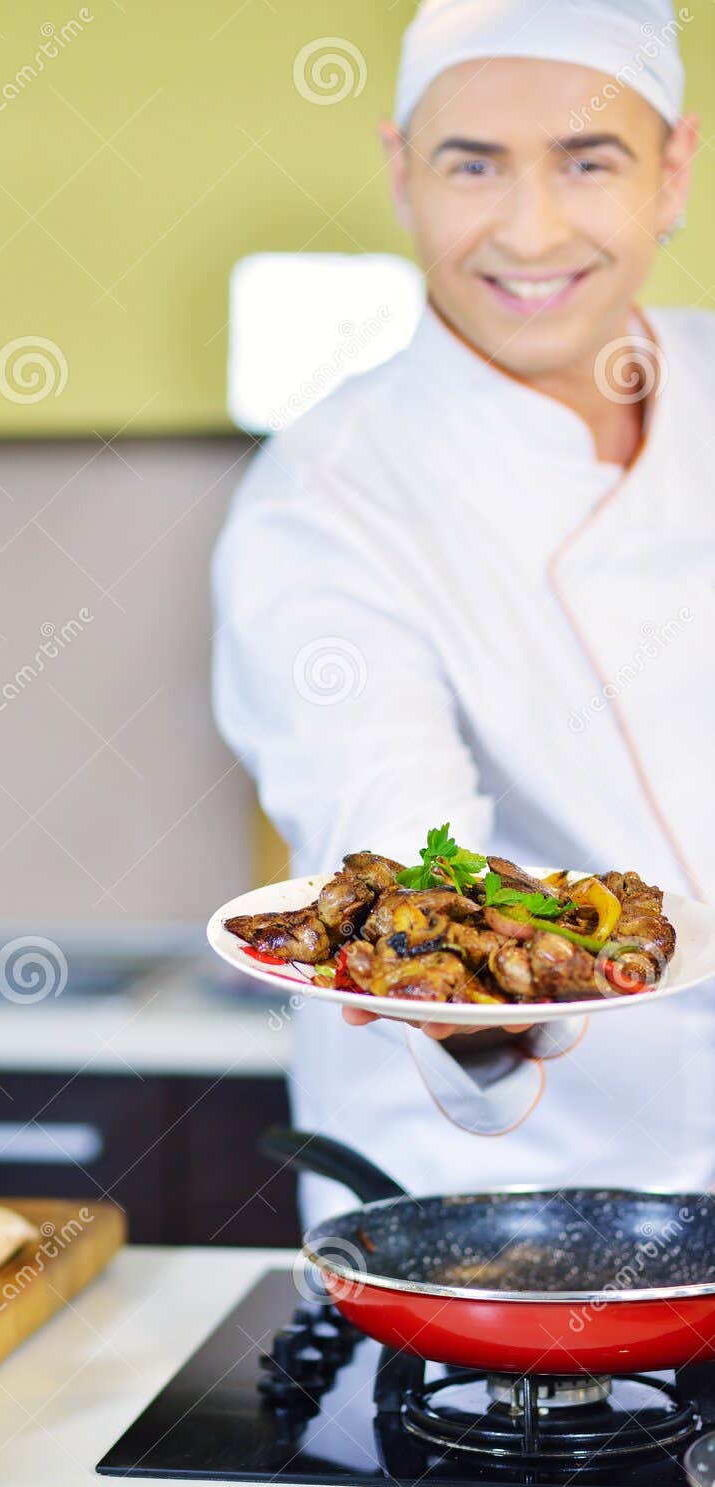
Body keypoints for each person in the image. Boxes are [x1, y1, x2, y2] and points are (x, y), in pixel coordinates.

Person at [212, 0, 714, 1222]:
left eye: (588, 162)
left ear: (672, 172)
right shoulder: (324, 495)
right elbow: (400, 844)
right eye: (474, 165)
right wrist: (475, 1006)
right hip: (486, 1212)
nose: (529, 230)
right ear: (402, 174)